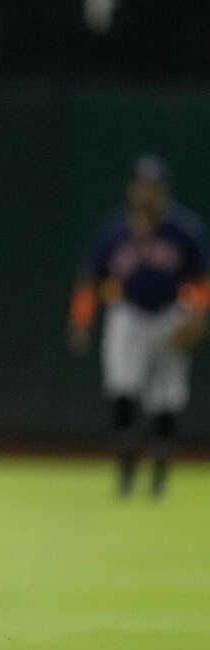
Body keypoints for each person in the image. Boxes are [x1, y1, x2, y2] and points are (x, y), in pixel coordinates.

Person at [69, 154, 209, 498]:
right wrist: (81, 319)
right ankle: (127, 469)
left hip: (170, 316)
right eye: (143, 187)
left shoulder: (184, 230)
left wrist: (197, 317)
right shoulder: (115, 230)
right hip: (127, 315)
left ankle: (159, 476)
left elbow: (203, 279)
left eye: (155, 187)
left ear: (164, 192)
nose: (148, 194)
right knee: (122, 389)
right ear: (133, 190)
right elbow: (91, 278)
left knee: (167, 398)